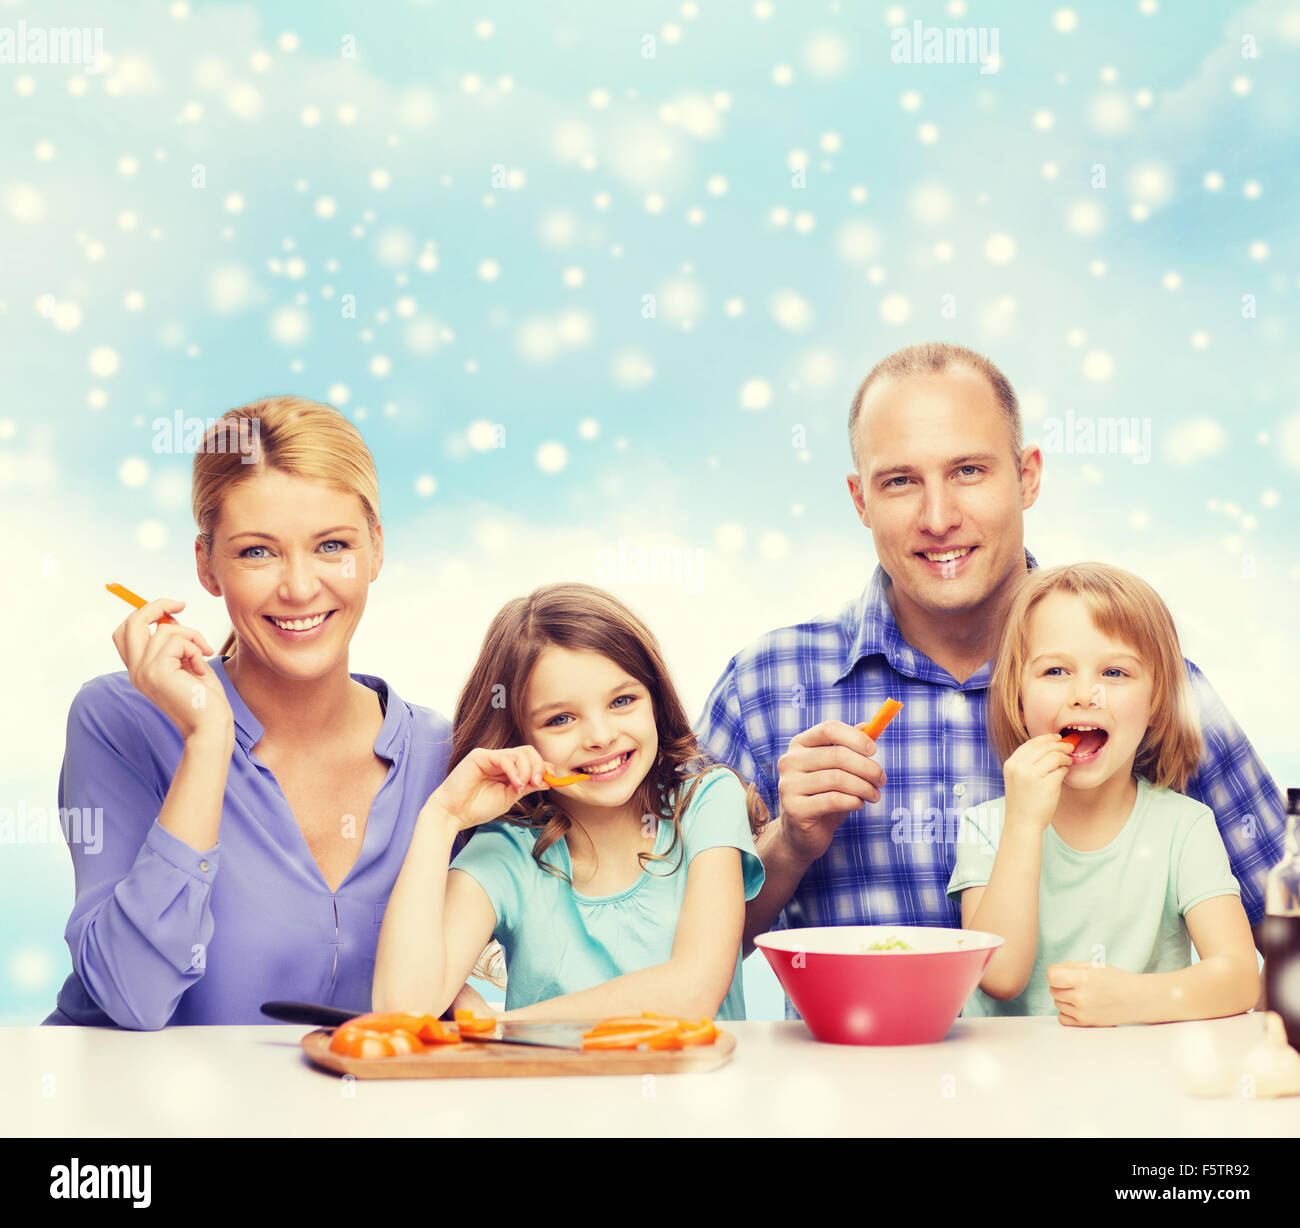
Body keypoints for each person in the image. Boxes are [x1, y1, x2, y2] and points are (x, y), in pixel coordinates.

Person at [695, 342, 1284, 1012]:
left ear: (1027, 475)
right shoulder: (766, 686)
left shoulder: (1155, 689)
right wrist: (789, 846)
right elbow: (676, 960)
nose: (939, 518)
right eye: (899, 481)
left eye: (969, 470)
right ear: (860, 499)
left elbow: (1282, 917)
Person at [45, 396, 472, 1028]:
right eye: (256, 552)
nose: (299, 588)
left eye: (332, 545)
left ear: (376, 549)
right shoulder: (119, 720)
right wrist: (209, 739)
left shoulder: (445, 758)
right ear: (206, 565)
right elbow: (131, 997)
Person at [373, 583, 766, 1021]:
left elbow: (693, 991)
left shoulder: (707, 802)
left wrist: (498, 1028)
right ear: (519, 736)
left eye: (622, 701)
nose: (600, 736)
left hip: (695, 1090)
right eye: (560, 719)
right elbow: (402, 1011)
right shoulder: (508, 851)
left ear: (655, 700)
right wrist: (441, 817)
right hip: (552, 1092)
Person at [949, 562, 1259, 1024]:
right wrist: (1024, 826)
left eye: (1114, 673)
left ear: (1157, 702)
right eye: (1055, 670)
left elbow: (1239, 978)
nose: (1085, 694)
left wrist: (1136, 999)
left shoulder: (1183, 828)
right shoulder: (988, 826)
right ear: (1018, 695)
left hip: (1137, 1080)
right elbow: (999, 976)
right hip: (1013, 1082)